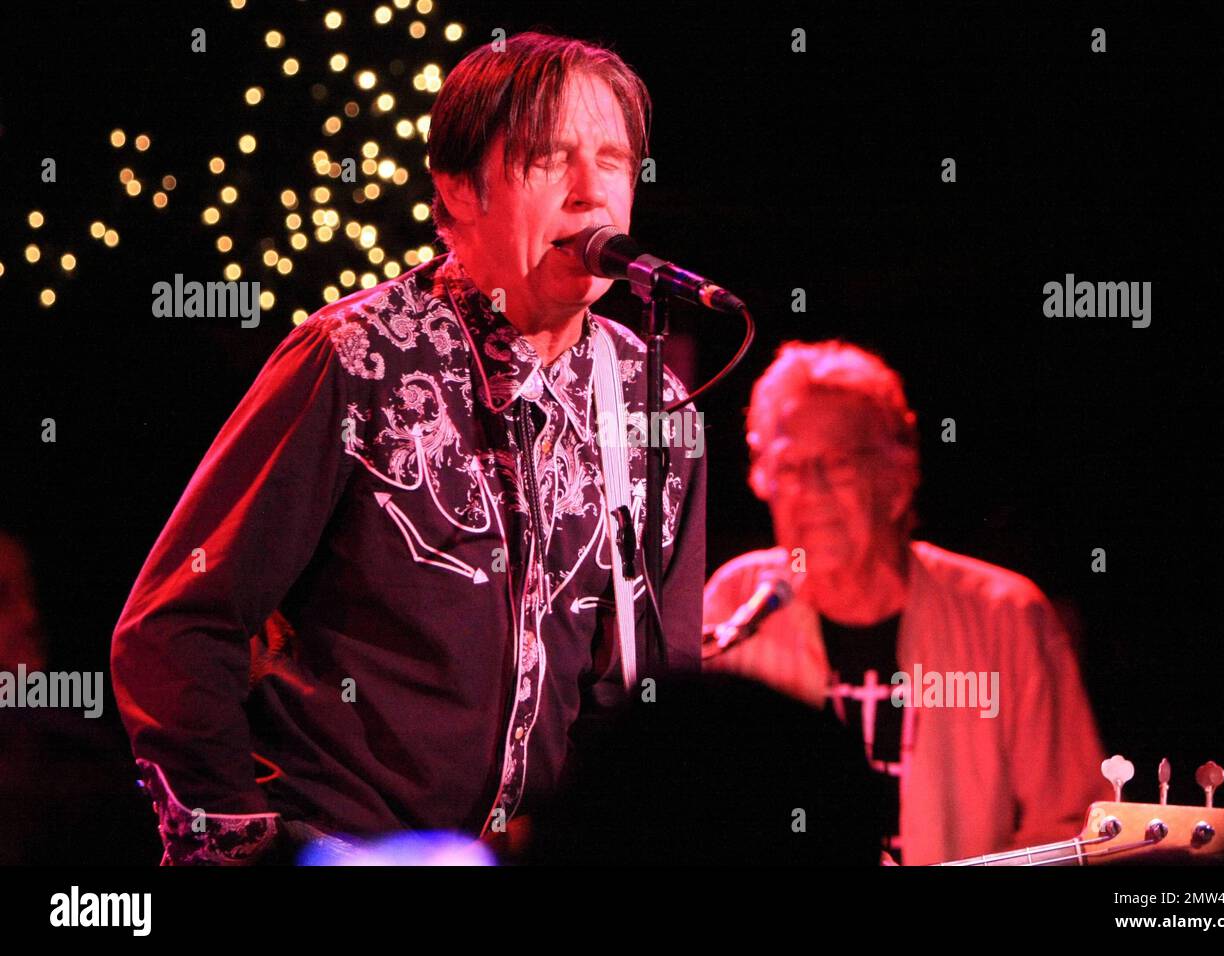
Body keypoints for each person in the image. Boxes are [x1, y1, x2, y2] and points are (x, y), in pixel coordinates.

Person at [110, 31, 706, 865]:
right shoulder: (355, 356)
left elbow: (656, 692)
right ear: (457, 191)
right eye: (547, 158)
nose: (588, 193)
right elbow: (176, 625)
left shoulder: (654, 401)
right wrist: (246, 846)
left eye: (611, 161)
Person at [703, 341, 1108, 864]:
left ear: (897, 476)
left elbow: (1073, 825)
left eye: (838, 462)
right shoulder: (736, 602)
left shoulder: (1005, 614)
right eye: (789, 467)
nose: (810, 491)